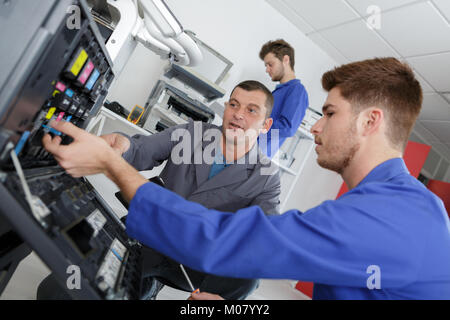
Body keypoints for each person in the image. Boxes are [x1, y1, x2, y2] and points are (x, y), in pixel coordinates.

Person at [42, 58, 450, 300]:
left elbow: (244, 243)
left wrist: (111, 166)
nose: (314, 128)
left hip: (188, 258)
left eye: (328, 113)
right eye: (233, 105)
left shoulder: (393, 219)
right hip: (149, 243)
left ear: (369, 121)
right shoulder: (386, 204)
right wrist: (120, 149)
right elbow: (141, 151)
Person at [37, 80, 280, 300]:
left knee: (248, 276)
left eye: (251, 110)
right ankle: (146, 283)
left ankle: (153, 283)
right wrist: (124, 145)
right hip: (145, 235)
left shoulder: (267, 175)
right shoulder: (192, 133)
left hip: (193, 260)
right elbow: (142, 150)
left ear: (266, 125)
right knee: (55, 294)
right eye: (234, 104)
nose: (237, 115)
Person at [258, 39, 309, 157]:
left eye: (270, 64)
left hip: (256, 157)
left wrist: (257, 126)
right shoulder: (278, 92)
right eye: (266, 66)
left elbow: (287, 128)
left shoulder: (297, 90)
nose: (267, 69)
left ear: (285, 60)